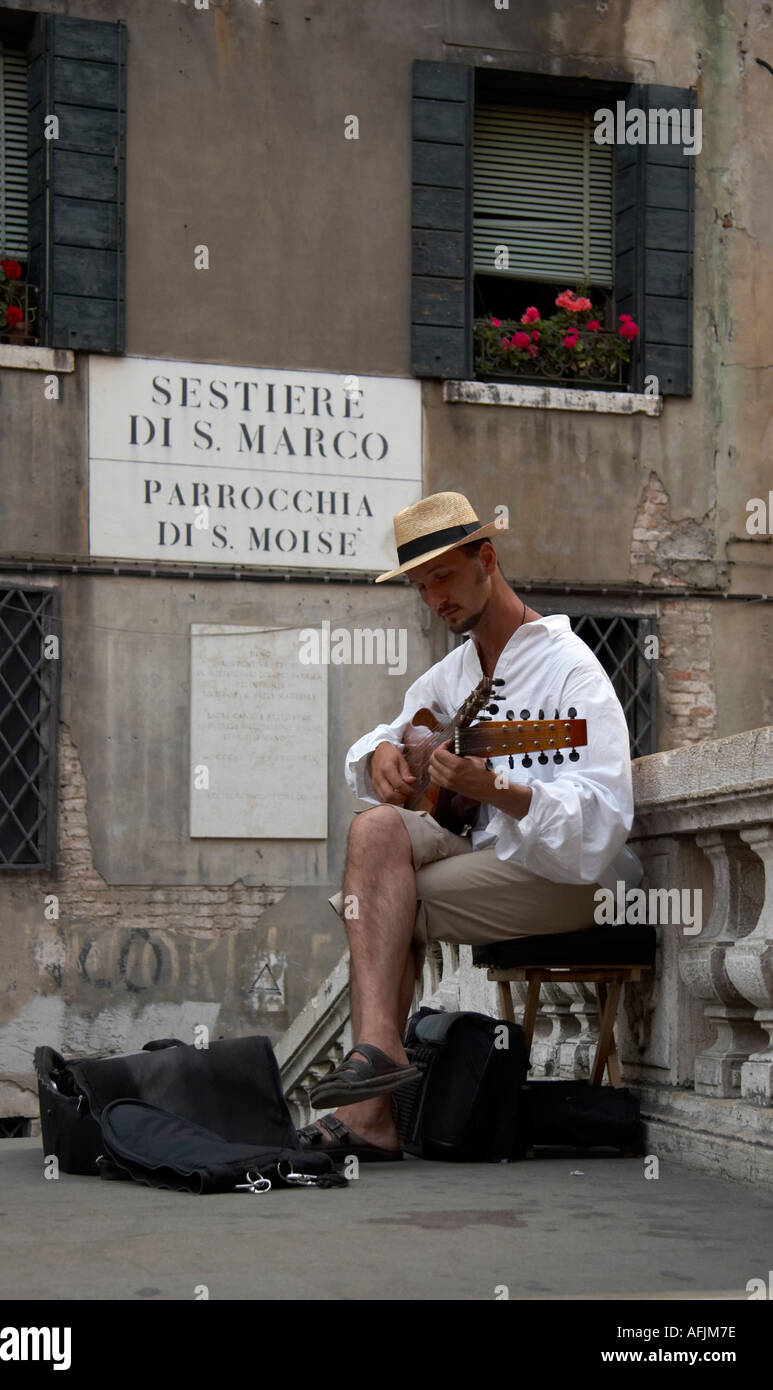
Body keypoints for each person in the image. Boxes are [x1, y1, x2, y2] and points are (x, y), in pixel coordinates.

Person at [297, 491, 641, 1163]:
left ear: (487, 559)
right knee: (373, 832)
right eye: (422, 588)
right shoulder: (454, 674)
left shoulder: (571, 672)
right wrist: (382, 755)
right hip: (487, 858)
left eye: (444, 578)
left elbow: (602, 819)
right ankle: (380, 1060)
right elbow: (392, 735)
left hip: (565, 875)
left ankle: (369, 1109)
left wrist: (503, 789)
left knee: (385, 904)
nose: (435, 599)